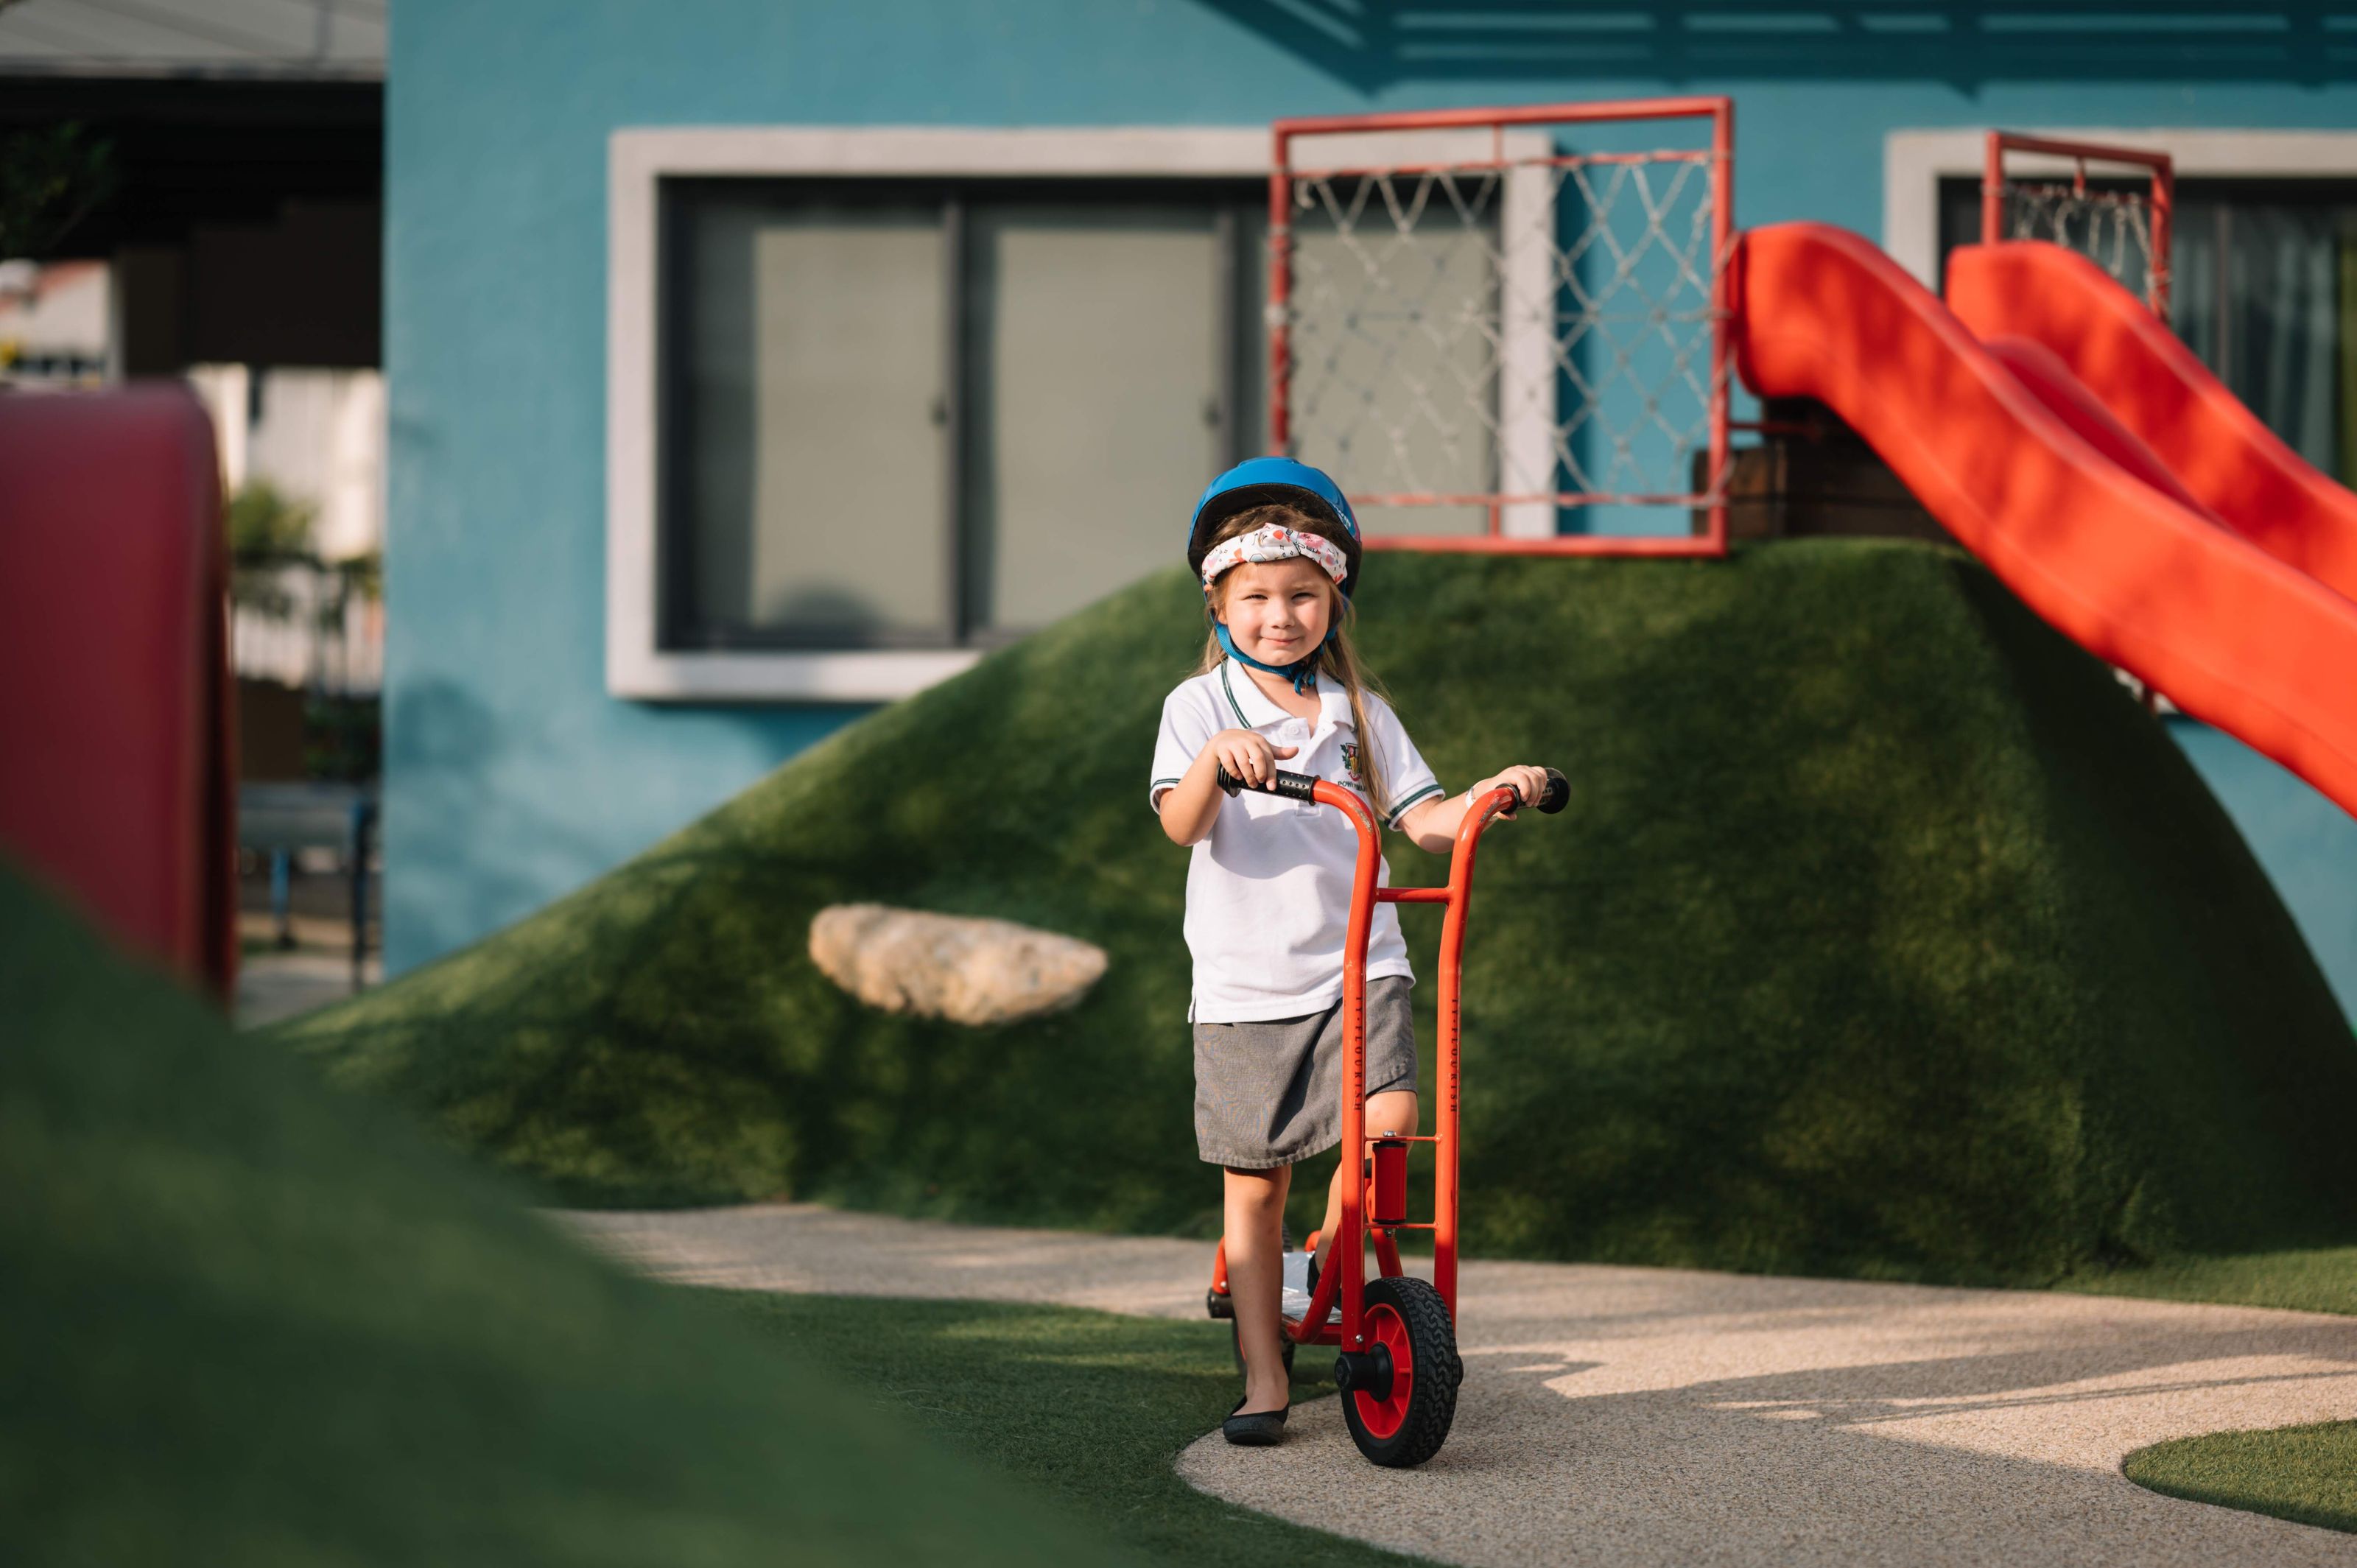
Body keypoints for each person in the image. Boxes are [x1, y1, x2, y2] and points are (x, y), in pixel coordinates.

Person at [1148, 457, 1551, 1446]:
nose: (1279, 616)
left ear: (1334, 601)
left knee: (1390, 1122)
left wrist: (1493, 790)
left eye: (1301, 595)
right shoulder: (1200, 708)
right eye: (1256, 597)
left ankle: (1327, 1266)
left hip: (1359, 962)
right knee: (1258, 1181)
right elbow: (1180, 823)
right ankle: (1263, 1370)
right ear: (1219, 602)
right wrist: (1217, 765)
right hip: (1248, 981)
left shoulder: (1360, 715)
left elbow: (1427, 821)